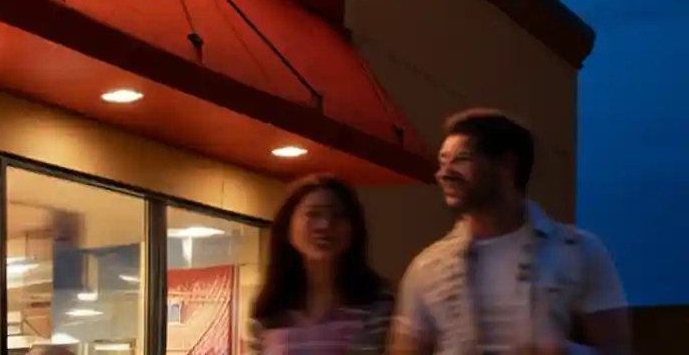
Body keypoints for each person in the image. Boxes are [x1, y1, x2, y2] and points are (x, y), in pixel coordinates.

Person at [388, 109, 630, 354]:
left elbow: (618, 349)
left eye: (461, 159)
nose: (444, 173)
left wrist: (566, 351)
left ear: (507, 164)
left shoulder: (579, 251)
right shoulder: (427, 267)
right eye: (442, 161)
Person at [248, 174, 395, 354]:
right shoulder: (270, 308)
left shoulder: (377, 301)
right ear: (288, 226)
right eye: (314, 214)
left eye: (338, 215)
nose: (325, 225)